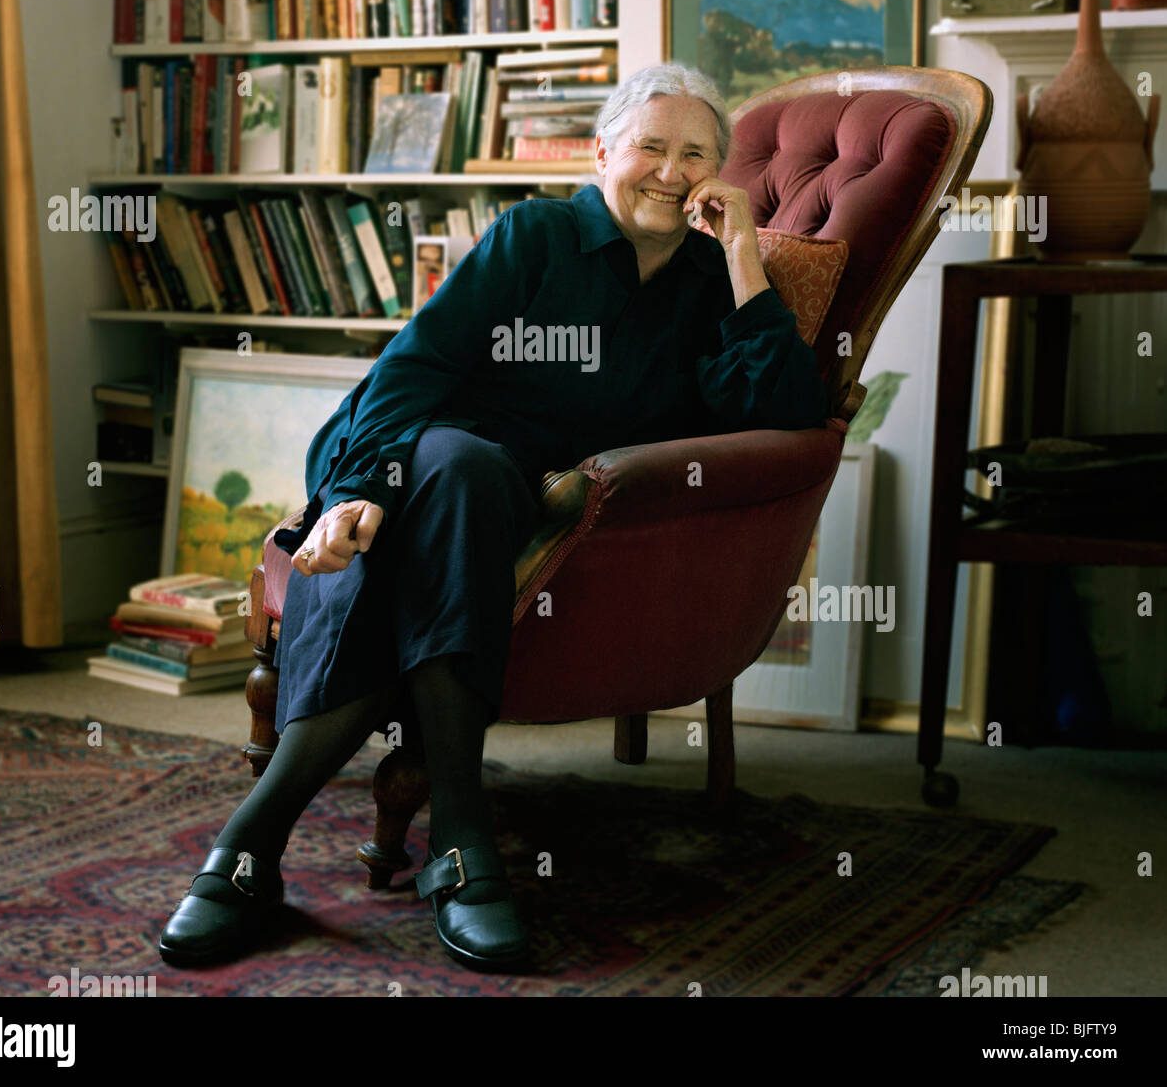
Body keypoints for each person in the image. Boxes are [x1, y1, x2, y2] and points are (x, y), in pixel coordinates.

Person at [157, 63, 830, 974]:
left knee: (448, 512)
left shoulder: (714, 282)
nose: (672, 171)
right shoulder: (535, 235)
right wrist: (363, 490)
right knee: (458, 473)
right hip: (411, 453)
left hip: (525, 503)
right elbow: (411, 372)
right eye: (651, 148)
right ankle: (461, 845)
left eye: (697, 155)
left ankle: (247, 851)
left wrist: (745, 248)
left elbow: (783, 408)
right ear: (602, 154)